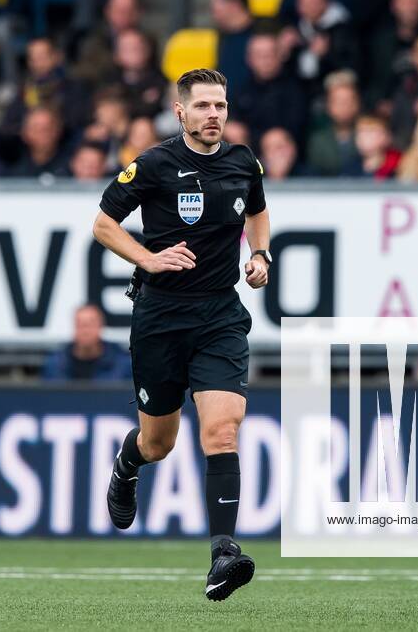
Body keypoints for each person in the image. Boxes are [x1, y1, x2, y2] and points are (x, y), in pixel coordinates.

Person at [93, 68, 270, 600]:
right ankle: (128, 464)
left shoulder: (244, 163)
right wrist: (148, 257)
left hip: (219, 316)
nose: (213, 115)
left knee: (222, 429)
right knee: (159, 442)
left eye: (220, 105)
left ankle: (223, 553)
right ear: (181, 112)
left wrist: (259, 254)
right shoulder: (154, 165)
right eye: (203, 107)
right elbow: (103, 224)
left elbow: (257, 214)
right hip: (161, 319)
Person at [230, 33, 308, 145]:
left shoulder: (295, 89)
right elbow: (234, 122)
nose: (265, 60)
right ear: (249, 59)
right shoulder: (241, 90)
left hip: (283, 152)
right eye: (259, 55)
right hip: (248, 152)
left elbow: (295, 132)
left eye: (270, 54)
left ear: (280, 56)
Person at [40, 304, 132, 381]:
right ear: (74, 327)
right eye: (81, 325)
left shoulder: (121, 365)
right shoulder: (55, 365)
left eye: (90, 324)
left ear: (101, 326)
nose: (85, 331)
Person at [308, 71, 361, 175]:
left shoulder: (368, 136)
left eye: (348, 101)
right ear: (328, 106)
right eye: (338, 101)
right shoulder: (318, 141)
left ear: (357, 103)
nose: (344, 107)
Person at [210, 0, 257, 94]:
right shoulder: (223, 36)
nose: (214, 16)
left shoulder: (262, 32)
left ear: (234, 5)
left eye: (216, 10)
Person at [11, 107, 69, 177]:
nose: (42, 133)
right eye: (36, 128)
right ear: (24, 133)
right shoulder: (12, 166)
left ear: (58, 129)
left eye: (48, 128)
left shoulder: (72, 164)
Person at [354, 114, 402, 180]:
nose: (363, 137)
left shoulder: (400, 165)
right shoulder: (350, 168)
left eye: (370, 131)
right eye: (360, 132)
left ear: (387, 137)